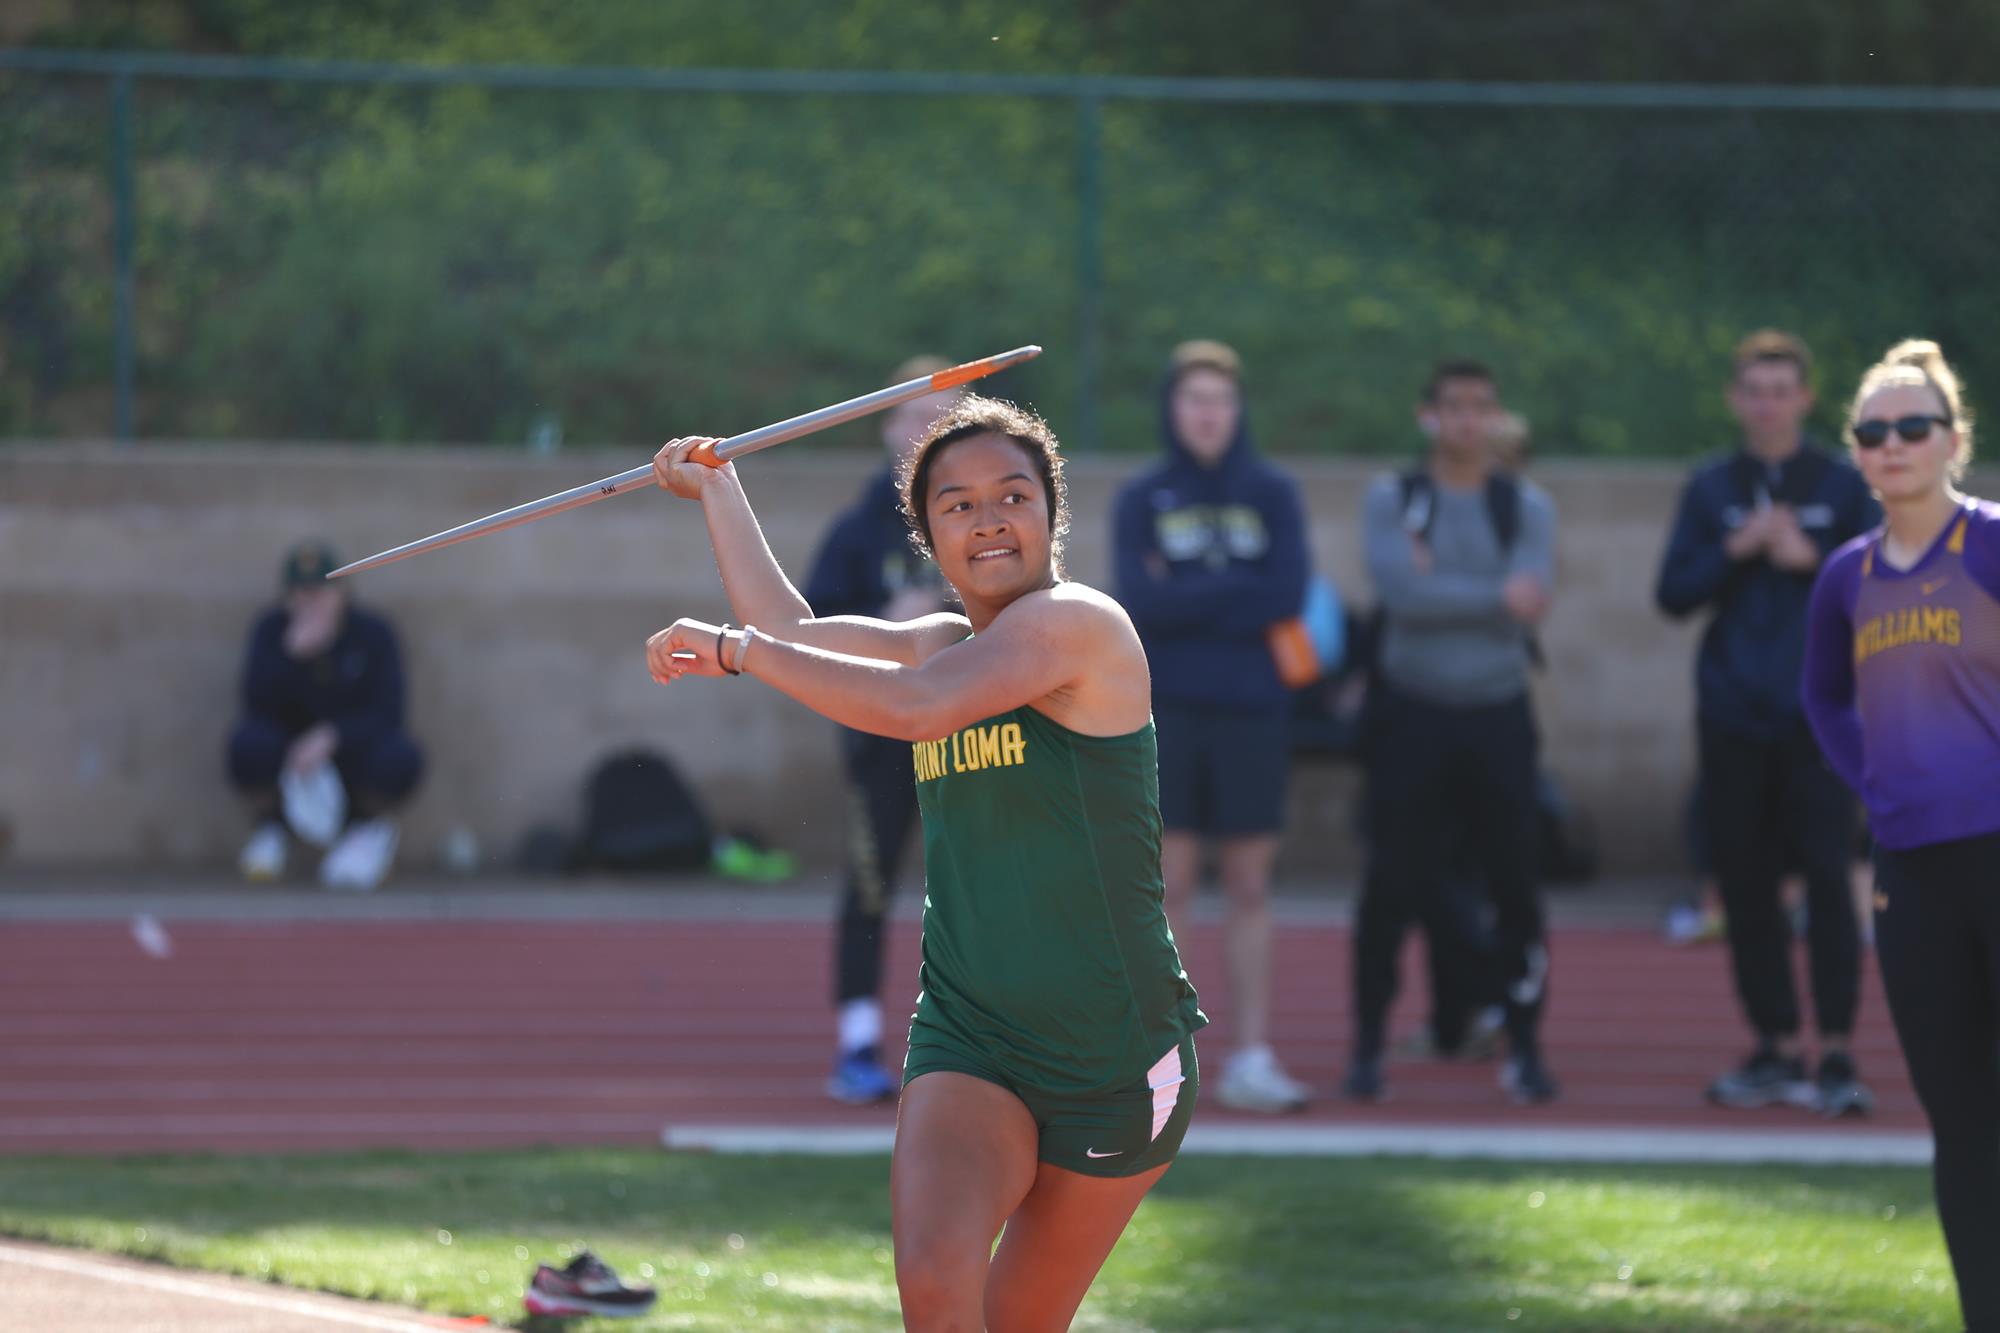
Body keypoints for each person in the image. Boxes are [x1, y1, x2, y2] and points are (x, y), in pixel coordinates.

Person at [646, 395, 1204, 1330]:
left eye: (1013, 495)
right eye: (958, 504)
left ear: (1052, 512)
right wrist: (719, 488)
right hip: (972, 1032)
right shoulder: (943, 642)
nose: (989, 519)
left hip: (1114, 1054)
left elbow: (915, 708)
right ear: (927, 535)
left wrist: (738, 653)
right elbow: (791, 627)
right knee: (938, 1287)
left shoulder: (1079, 624)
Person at [1802, 339, 2000, 1332]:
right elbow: (1822, 697)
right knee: (1960, 1123)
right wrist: (1871, 782)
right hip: (1911, 870)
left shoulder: (1991, 543)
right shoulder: (1846, 575)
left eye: (1912, 426)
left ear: (1951, 439)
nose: (1892, 443)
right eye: (1871, 430)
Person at [1655, 329, 1881, 1115]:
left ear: (1806, 399)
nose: (1767, 405)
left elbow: (1881, 590)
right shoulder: (1711, 485)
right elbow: (1672, 593)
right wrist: (1736, 548)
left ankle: (1838, 1049)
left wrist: (1810, 558)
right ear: (1735, 399)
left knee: (1827, 878)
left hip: (1819, 717)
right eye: (1754, 390)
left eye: (1781, 391)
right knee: (1745, 884)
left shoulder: (1845, 483)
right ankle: (1775, 1043)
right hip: (1732, 715)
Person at [1346, 359, 1559, 1105]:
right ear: (1428, 416)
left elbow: (1532, 595)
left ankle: (1524, 1047)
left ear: (1496, 418)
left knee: (1516, 886)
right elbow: (1403, 595)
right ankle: (1367, 1046)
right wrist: (1494, 595)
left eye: (1482, 407)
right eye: (1455, 406)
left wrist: (1443, 587)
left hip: (1500, 713)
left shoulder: (1525, 504)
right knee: (1390, 885)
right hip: (1412, 714)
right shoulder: (1394, 497)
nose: (1469, 420)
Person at [1111, 340, 1313, 1113]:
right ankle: (1166, 1060)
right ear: (1172, 408)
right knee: (1172, 884)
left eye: (1221, 400)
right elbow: (1139, 601)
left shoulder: (1273, 492)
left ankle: (1252, 1056)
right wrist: (1235, 591)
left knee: (1251, 883)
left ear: (1238, 409)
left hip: (1254, 710)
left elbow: (1286, 593)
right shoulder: (1144, 496)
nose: (1208, 413)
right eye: (1194, 398)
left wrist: (1191, 592)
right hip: (1169, 711)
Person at [802, 355, 961, 1105]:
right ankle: (858, 1041)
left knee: (977, 888)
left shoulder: (982, 516)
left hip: (974, 734)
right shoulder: (858, 530)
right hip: (884, 735)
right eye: (918, 417)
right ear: (889, 427)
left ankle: (981, 1046)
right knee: (870, 882)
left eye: (946, 418)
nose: (930, 431)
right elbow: (807, 627)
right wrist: (886, 626)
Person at [226, 541, 424, 890]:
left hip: (351, 755)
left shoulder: (372, 634)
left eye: (321, 591)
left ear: (342, 591)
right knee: (248, 745)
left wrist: (334, 736)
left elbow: (388, 712)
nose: (312, 601)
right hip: (291, 760)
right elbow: (255, 703)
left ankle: (363, 829)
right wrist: (292, 658)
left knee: (400, 757)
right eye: (302, 592)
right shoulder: (272, 631)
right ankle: (273, 827)